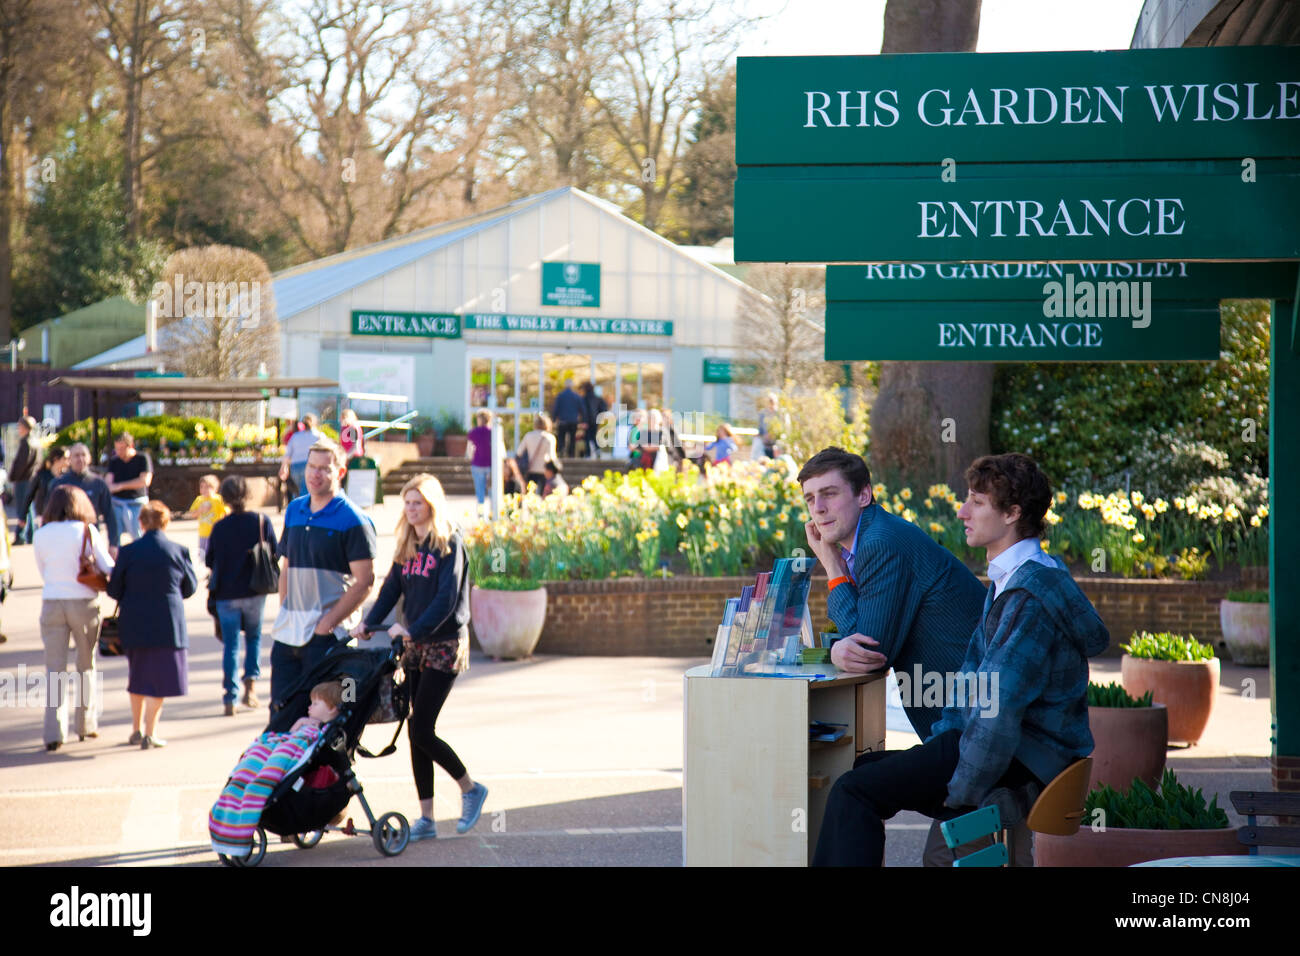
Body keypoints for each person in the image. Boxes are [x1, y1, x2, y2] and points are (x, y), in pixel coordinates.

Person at [812, 452, 1109, 867]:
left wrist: (960, 793)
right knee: (862, 772)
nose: (962, 510)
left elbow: (997, 711)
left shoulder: (1028, 595)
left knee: (854, 789)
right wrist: (938, 750)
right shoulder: (1011, 579)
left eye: (977, 502)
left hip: (1021, 761)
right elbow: (971, 685)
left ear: (1012, 514)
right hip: (998, 748)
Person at [798, 446, 991, 865]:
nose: (819, 507)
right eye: (810, 498)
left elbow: (869, 649)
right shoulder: (872, 539)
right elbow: (856, 636)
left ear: (864, 495)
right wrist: (840, 642)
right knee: (859, 778)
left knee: (854, 789)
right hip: (966, 728)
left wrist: (831, 569)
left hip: (976, 735)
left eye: (829, 493)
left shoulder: (881, 542)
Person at [351, 475, 486, 840]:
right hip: (414, 645)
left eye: (418, 503)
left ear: (432, 505)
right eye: (407, 503)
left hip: (443, 643)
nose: (411, 510)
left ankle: (470, 789)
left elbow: (446, 600)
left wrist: (413, 630)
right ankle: (426, 818)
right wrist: (369, 623)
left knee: (423, 726)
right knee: (415, 730)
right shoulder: (407, 544)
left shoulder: (449, 544)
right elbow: (390, 590)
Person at [270, 439, 376, 713]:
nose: (315, 474)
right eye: (311, 467)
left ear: (340, 472)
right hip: (289, 632)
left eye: (324, 469)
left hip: (326, 636)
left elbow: (365, 581)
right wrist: (285, 608)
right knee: (280, 715)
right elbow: (288, 565)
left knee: (328, 717)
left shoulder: (354, 519)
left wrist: (327, 624)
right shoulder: (295, 509)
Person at [209, 680, 345, 856]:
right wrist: (301, 724)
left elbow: (302, 744)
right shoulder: (305, 721)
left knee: (268, 773)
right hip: (281, 747)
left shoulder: (328, 731)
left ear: (332, 709)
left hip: (295, 752)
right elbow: (289, 735)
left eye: (315, 704)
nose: (309, 707)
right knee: (253, 762)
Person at [107, 501, 197, 749]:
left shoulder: (128, 551)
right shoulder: (178, 550)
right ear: (166, 522)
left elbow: (114, 589)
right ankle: (150, 731)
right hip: (168, 622)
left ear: (141, 522)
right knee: (159, 679)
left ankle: (135, 729)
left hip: (134, 621)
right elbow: (190, 588)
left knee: (138, 674)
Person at [34, 485, 114, 751]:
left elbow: (42, 570)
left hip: (52, 600)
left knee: (54, 668)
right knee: (85, 663)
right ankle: (85, 723)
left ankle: (53, 731)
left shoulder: (41, 533)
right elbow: (105, 566)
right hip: (84, 601)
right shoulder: (85, 531)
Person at [207, 475, 277, 716]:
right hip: (255, 590)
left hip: (226, 594)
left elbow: (209, 560)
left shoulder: (219, 527)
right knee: (254, 639)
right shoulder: (260, 521)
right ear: (248, 494)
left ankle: (230, 696)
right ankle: (251, 689)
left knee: (231, 645)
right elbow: (275, 553)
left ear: (223, 498)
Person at [50, 443, 119, 557]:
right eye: (76, 455)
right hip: (65, 540)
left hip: (91, 539)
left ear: (89, 458)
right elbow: (49, 514)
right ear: (70, 459)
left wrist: (113, 544)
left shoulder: (98, 484)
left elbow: (110, 515)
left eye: (83, 455)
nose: (80, 459)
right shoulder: (59, 484)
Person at [105, 431, 153, 543]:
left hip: (137, 502)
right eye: (117, 449)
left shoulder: (142, 458)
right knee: (115, 534)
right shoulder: (114, 461)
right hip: (117, 502)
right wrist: (111, 486)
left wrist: (121, 486)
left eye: (122, 449)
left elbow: (145, 481)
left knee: (138, 534)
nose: (119, 452)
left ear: (130, 446)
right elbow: (109, 482)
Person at [20, 446, 68, 539]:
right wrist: (23, 515)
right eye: (65, 458)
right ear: (56, 459)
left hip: (62, 517)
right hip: (44, 515)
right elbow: (29, 495)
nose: (68, 461)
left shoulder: (66, 477)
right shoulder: (42, 475)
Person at [9, 415, 40, 545]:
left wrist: (13, 476)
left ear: (25, 427)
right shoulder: (35, 441)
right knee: (28, 508)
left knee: (23, 508)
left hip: (23, 479)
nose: (18, 429)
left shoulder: (26, 442)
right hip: (31, 479)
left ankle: (21, 535)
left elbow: (21, 463)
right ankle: (30, 535)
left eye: (19, 426)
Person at [186, 474, 228, 564]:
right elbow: (192, 514)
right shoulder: (199, 500)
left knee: (215, 554)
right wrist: (200, 510)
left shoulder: (218, 499)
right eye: (202, 487)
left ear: (215, 488)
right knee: (203, 555)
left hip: (215, 532)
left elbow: (226, 512)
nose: (204, 490)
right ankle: (208, 570)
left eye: (208, 487)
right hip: (203, 533)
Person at [279, 414, 321, 500]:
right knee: (306, 491)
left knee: (299, 490)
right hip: (309, 465)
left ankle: (297, 507)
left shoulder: (295, 436)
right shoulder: (318, 436)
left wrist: (284, 467)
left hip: (295, 466)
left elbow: (287, 454)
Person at [514, 413, 557, 493]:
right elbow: (552, 456)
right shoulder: (550, 438)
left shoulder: (528, 436)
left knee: (530, 492)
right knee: (542, 492)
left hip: (530, 468)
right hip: (544, 469)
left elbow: (519, 452)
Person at [466, 410, 494, 517]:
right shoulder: (492, 431)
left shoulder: (473, 432)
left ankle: (481, 516)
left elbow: (469, 450)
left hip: (477, 464)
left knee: (480, 493)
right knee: (492, 492)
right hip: (491, 465)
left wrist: (472, 458)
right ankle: (492, 514)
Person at [550, 378, 583, 458]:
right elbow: (581, 409)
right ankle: (571, 454)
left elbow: (556, 408)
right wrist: (582, 420)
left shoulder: (560, 396)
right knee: (572, 439)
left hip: (563, 421)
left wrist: (553, 419)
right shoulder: (576, 396)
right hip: (573, 421)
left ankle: (561, 451)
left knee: (561, 437)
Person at [580, 382, 607, 458]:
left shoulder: (584, 399)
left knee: (587, 438)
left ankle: (588, 453)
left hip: (587, 421)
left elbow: (583, 411)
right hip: (596, 421)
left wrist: (584, 421)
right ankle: (597, 450)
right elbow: (604, 408)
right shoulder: (598, 398)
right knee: (594, 436)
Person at [756, 393, 781, 458]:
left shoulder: (780, 413)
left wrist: (773, 435)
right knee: (757, 443)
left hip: (777, 441)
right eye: (769, 401)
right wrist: (763, 436)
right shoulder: (763, 413)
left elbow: (785, 430)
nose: (771, 403)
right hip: (765, 441)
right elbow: (760, 430)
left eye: (772, 401)